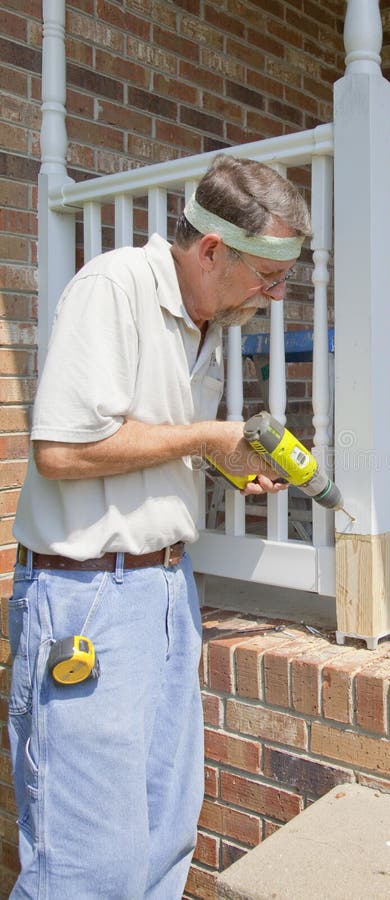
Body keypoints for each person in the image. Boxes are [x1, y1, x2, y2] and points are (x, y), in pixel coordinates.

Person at [8, 154, 311, 898]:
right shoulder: (113, 288)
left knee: (164, 839)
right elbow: (62, 450)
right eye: (267, 278)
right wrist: (207, 439)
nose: (273, 297)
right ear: (211, 250)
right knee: (87, 867)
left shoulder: (206, 319)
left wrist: (222, 462)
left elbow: (143, 438)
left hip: (167, 592)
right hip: (89, 600)